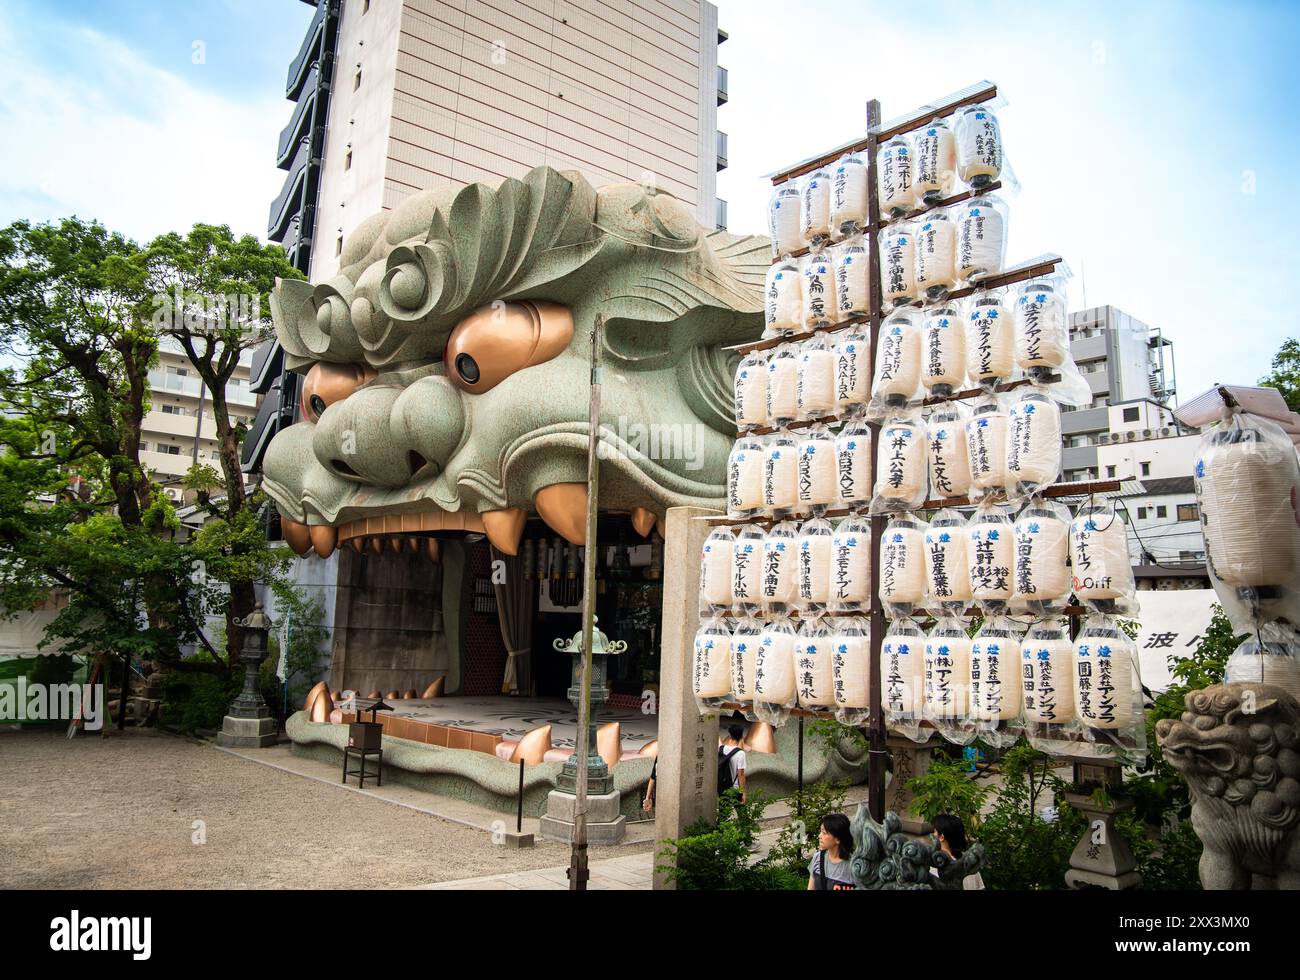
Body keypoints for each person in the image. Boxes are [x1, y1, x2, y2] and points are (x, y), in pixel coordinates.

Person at [931, 813, 986, 890]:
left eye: (934, 832)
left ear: (941, 837)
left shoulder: (934, 866)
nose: (932, 835)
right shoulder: (970, 859)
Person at [806, 813, 856, 890]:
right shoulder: (818, 858)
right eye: (820, 832)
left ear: (838, 839)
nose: (819, 836)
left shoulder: (854, 866)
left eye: (824, 833)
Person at [718, 723, 747, 803]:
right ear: (741, 737)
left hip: (723, 787)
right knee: (742, 813)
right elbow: (741, 775)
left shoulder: (721, 749)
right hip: (735, 788)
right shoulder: (741, 753)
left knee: (724, 813)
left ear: (730, 735)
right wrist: (743, 792)